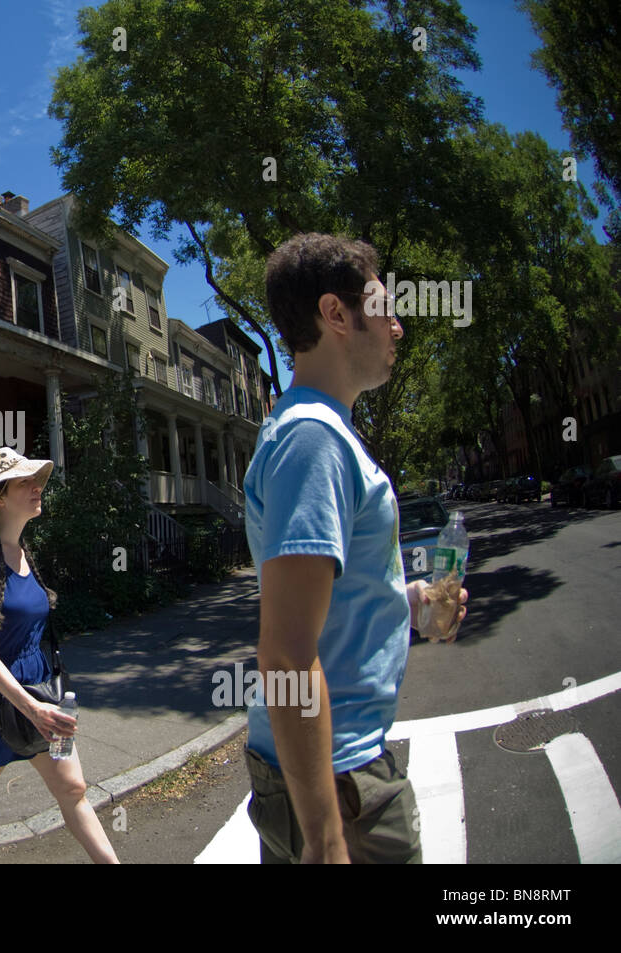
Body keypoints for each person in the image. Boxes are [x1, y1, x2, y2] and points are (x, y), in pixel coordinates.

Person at [242, 234, 469, 864]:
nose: (398, 326)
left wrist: (410, 601)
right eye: (384, 307)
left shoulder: (320, 433)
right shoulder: (314, 440)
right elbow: (287, 655)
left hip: (341, 771)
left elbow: (329, 606)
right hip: (341, 787)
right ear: (336, 314)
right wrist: (325, 840)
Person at [0, 447, 119, 864]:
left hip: (42, 691)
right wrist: (14, 702)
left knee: (73, 789)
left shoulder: (24, 552)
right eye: (26, 482)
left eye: (37, 481)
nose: (37, 488)